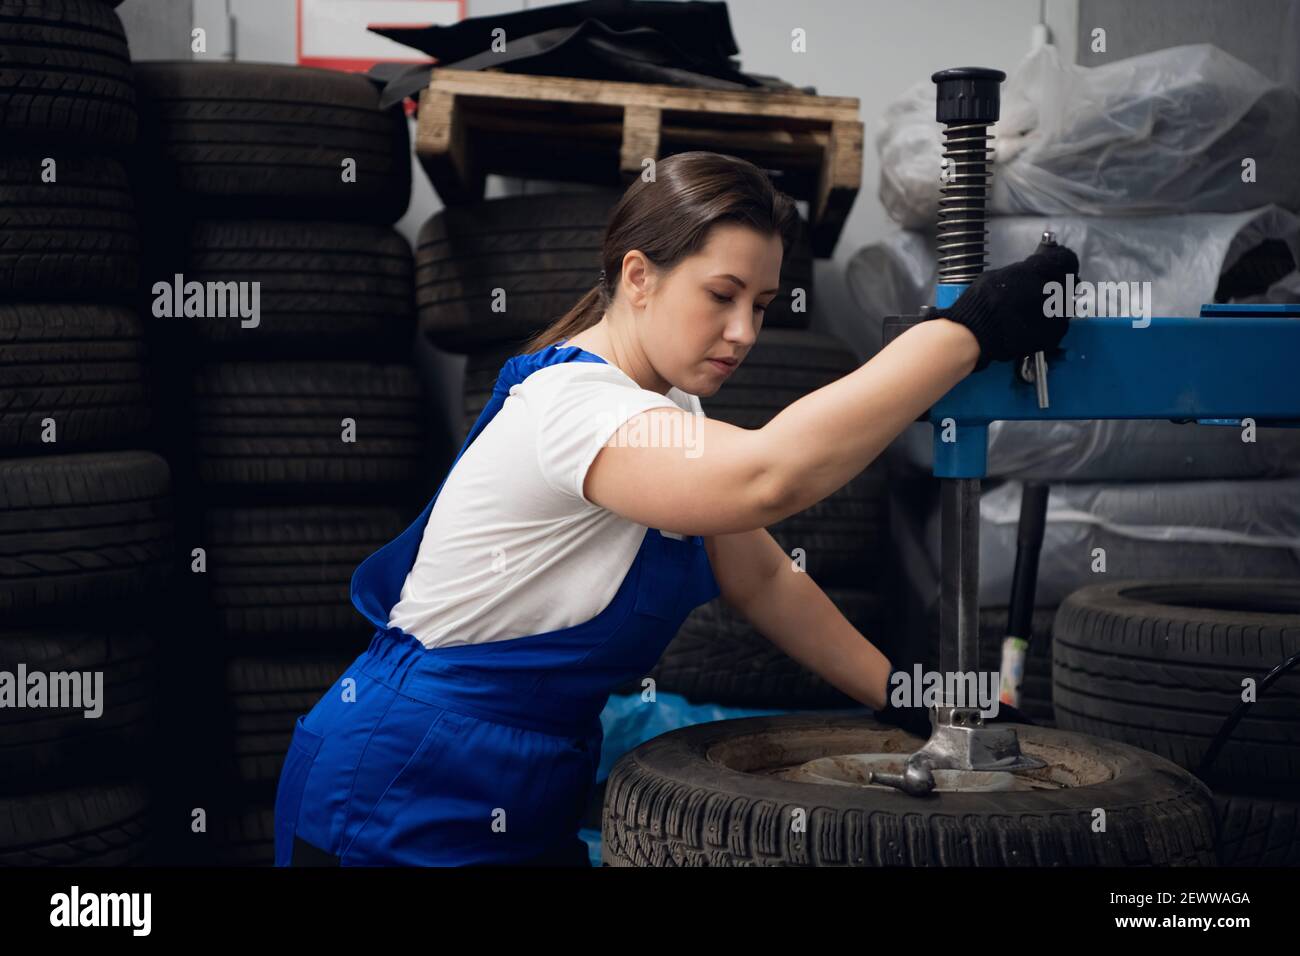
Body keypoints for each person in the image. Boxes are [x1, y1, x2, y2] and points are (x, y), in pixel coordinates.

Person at [273, 150, 1076, 867]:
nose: (743, 333)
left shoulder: (669, 415)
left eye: (761, 304)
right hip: (400, 779)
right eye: (722, 295)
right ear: (637, 276)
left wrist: (909, 697)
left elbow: (765, 580)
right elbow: (770, 475)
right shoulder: (575, 408)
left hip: (524, 780)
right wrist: (966, 333)